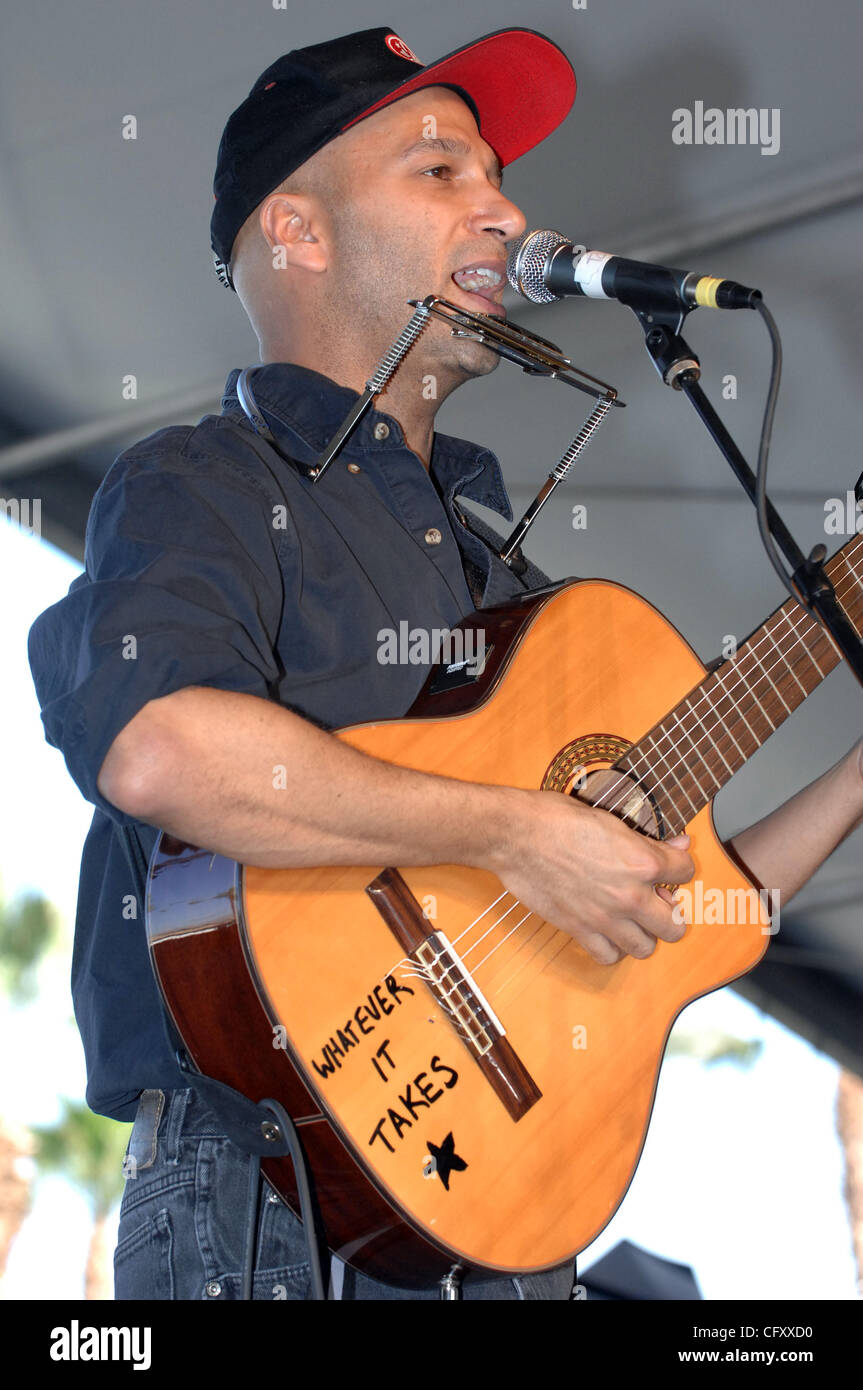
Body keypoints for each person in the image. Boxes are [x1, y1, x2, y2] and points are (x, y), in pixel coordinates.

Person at [28, 24, 863, 1302]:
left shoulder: (503, 584)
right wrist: (514, 834)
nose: (505, 206)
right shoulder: (203, 484)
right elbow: (160, 747)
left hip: (506, 1225)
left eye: (494, 174)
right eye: (440, 172)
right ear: (296, 232)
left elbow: (703, 915)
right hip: (278, 1208)